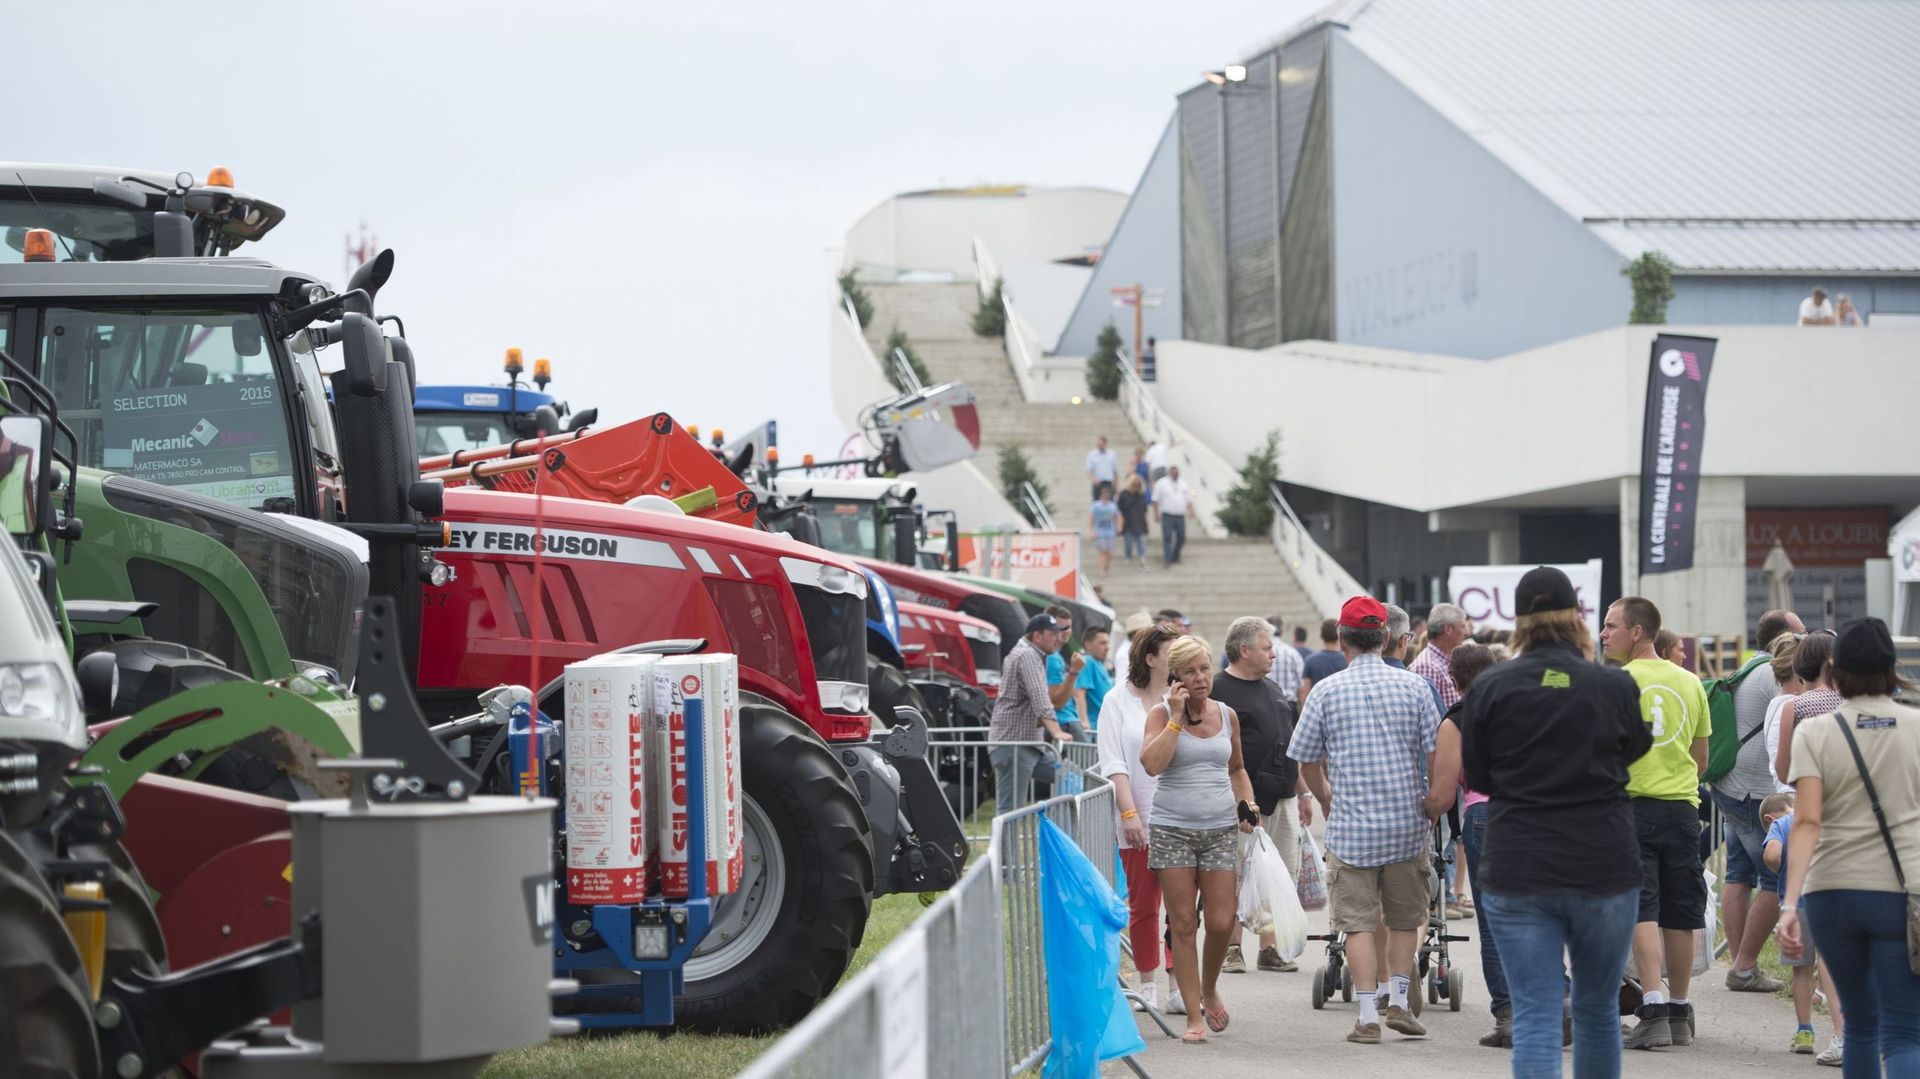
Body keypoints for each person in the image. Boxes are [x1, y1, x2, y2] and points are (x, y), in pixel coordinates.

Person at [1460, 566, 1651, 1078]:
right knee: (1597, 1011)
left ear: (1519, 619)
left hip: (1520, 864)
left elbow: (1477, 774)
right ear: (1577, 616)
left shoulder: (1491, 686)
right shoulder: (1612, 685)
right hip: (1604, 863)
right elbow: (1636, 749)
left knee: (1537, 1015)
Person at [1289, 596, 1442, 1044]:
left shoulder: (1326, 690)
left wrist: (1326, 798)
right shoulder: (1414, 687)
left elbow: (1306, 760)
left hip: (1352, 826)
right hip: (1406, 823)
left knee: (1356, 923)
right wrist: (1430, 804)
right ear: (1387, 639)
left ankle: (1368, 1015)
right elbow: (1434, 753)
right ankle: (1399, 1001)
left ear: (1343, 640)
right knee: (1402, 919)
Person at [1778, 617, 1920, 1076]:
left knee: (1859, 1025)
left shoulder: (1815, 732)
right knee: (1903, 1032)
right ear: (1891, 667)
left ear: (1836, 668)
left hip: (1831, 891)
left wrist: (1789, 904)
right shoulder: (1916, 726)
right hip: (1902, 893)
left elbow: (1807, 821)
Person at [1599, 596, 1712, 1050]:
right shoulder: (1690, 682)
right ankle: (1681, 1010)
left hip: (1631, 807)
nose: (1604, 633)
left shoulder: (1615, 683)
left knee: (1640, 908)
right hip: (1683, 808)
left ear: (1637, 632)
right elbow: (1700, 757)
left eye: (1611, 626)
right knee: (1681, 911)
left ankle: (1653, 1008)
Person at [1141, 634, 1258, 1044]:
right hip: (1172, 828)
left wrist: (1249, 803)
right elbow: (1152, 765)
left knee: (1223, 920)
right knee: (1184, 922)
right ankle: (1193, 1014)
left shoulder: (1227, 715)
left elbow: (1238, 768)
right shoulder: (1160, 715)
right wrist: (1175, 717)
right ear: (1175, 676)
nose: (1200, 677)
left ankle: (1209, 988)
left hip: (1220, 828)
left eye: (1205, 668)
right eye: (1190, 671)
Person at [1426, 642, 1514, 1047]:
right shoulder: (1521, 709)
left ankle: (1510, 1015)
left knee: (1495, 924)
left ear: (1453, 680)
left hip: (1486, 818)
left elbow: (1443, 795)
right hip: (1534, 817)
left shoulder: (1457, 720)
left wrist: (1422, 809)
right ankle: (1554, 1000)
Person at [1212, 616, 1311, 974]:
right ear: (1244, 650)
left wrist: (1302, 792)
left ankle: (1270, 948)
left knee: (1279, 874)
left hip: (1282, 795)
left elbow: (1287, 744)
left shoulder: (1272, 689)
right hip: (1240, 799)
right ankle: (1231, 947)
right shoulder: (1218, 689)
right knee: (1238, 874)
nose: (1273, 654)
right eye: (1267, 647)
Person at [1716, 608, 1806, 995]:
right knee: (1775, 875)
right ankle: (1744, 965)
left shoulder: (1747, 667)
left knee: (1737, 874)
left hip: (1730, 785)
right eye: (1800, 637)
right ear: (1782, 640)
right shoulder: (1775, 674)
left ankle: (1741, 965)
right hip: (1756, 793)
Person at [1095, 625, 1181, 1011]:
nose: (1178, 660)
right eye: (1171, 652)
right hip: (1139, 817)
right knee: (1145, 906)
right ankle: (1147, 981)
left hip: (1181, 817)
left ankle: (1179, 983)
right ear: (1150, 658)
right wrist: (1129, 814)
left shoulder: (1180, 699)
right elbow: (1114, 762)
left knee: (1181, 909)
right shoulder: (1117, 701)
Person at [1762, 789, 1848, 1062]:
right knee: (1832, 963)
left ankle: (1804, 1031)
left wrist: (1781, 872)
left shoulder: (1782, 825)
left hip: (1796, 904)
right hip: (1830, 897)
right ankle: (1844, 1030)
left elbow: (1772, 855)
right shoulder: (1827, 818)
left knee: (1801, 971)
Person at [988, 613, 1074, 815]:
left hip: (1030, 746)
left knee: (1073, 777)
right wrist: (1056, 731)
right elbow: (1040, 698)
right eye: (1052, 634)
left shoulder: (1031, 654)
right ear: (1037, 636)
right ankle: (1003, 848)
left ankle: (1067, 838)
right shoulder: (1028, 655)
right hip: (1014, 744)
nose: (1058, 638)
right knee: (1010, 811)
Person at [1773, 630, 1842, 789]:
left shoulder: (1794, 707)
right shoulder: (1852, 699)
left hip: (1812, 798)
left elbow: (1783, 772)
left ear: (1799, 664)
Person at [1043, 606, 1088, 741]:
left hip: (1066, 722)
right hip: (1065, 723)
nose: (1065, 632)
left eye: (1068, 627)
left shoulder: (1055, 656)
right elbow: (1057, 702)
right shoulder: (1053, 658)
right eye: (1059, 627)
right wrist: (1074, 672)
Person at [1074, 625, 1115, 732]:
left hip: (1106, 726)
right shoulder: (1087, 662)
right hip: (1094, 729)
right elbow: (1080, 693)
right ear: (1088, 645)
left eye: (1107, 643)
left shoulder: (1101, 665)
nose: (1107, 647)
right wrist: (1084, 722)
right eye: (1102, 643)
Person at [1298, 618, 1346, 707]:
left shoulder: (1310, 660)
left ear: (1321, 636)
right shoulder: (1347, 660)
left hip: (1318, 710)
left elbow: (1305, 693)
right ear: (1339, 636)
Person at [1152, 466, 1192, 567]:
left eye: (1177, 473)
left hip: (1179, 515)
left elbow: (1189, 500)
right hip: (1167, 515)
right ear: (1170, 473)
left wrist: (1191, 511)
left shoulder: (1183, 484)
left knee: (1181, 537)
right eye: (1173, 473)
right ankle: (1167, 559)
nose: (1175, 474)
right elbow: (1155, 499)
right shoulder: (1161, 483)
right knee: (1167, 537)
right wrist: (1156, 514)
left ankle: (1175, 556)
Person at [1265, 615, 1305, 702]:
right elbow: (1301, 688)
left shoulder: (1259, 651)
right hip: (1289, 704)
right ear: (1282, 631)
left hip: (1266, 704)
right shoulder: (1293, 653)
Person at [1110, 609, 1152, 685]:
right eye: (1148, 632)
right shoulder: (1126, 652)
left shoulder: (1134, 648)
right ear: (1136, 633)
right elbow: (1122, 682)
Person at [1116, 475, 1150, 568]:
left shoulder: (1141, 496)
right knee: (1128, 542)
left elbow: (1144, 510)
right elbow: (1120, 510)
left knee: (1141, 542)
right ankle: (1128, 556)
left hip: (1140, 522)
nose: (1135, 488)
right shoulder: (1124, 495)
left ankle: (1142, 557)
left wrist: (1146, 523)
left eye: (1137, 486)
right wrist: (1120, 524)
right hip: (1128, 522)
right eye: (1134, 485)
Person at [1089, 482, 1119, 576]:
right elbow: (1091, 518)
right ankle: (1101, 570)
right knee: (1102, 552)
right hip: (1100, 532)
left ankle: (1105, 566)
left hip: (1110, 532)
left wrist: (1118, 527)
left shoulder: (1112, 505)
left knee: (1110, 553)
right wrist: (1092, 530)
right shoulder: (1096, 505)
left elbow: (1117, 517)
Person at [1085, 435, 1118, 503]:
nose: (1100, 445)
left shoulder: (1111, 454)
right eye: (1099, 444)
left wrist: (1116, 484)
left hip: (1108, 483)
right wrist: (1093, 480)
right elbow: (1089, 470)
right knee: (1096, 503)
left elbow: (1115, 471)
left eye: (1102, 444)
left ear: (1105, 444)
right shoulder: (1092, 454)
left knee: (1110, 503)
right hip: (1097, 483)